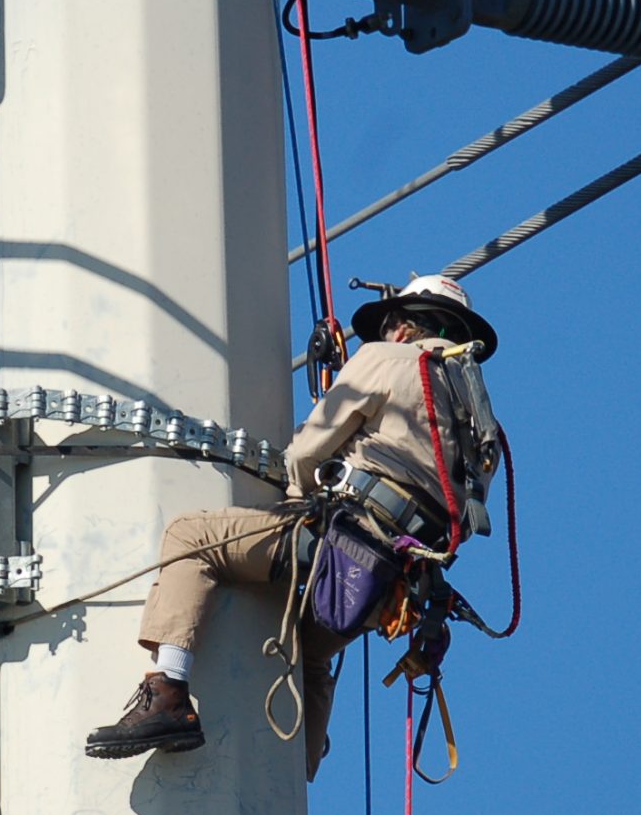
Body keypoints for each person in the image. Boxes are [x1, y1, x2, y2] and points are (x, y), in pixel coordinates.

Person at [83, 274, 501, 779]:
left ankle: (168, 690)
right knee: (312, 660)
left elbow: (306, 453)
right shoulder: (482, 426)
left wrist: (298, 499)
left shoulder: (387, 360)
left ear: (400, 326)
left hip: (338, 544)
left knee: (190, 539)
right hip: (387, 582)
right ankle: (292, 788)